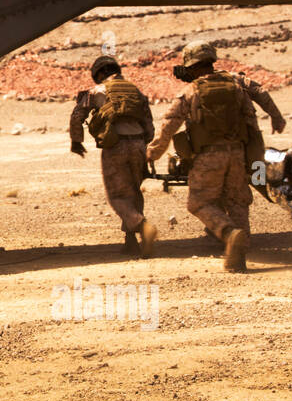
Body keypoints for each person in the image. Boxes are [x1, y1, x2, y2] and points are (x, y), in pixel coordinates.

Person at [147, 41, 260, 273]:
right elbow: (251, 121)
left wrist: (153, 152)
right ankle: (238, 259)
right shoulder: (236, 88)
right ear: (212, 60)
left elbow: (169, 125)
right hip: (237, 153)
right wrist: (252, 158)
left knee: (198, 203)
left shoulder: (190, 91)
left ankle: (228, 232)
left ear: (190, 65)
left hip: (209, 156)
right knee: (238, 202)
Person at [69, 55, 158, 257]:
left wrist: (76, 141)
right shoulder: (134, 90)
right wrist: (143, 145)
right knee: (134, 192)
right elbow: (149, 124)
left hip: (114, 146)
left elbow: (77, 116)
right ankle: (131, 242)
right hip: (138, 145)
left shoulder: (97, 90)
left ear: (100, 73)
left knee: (117, 195)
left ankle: (142, 226)